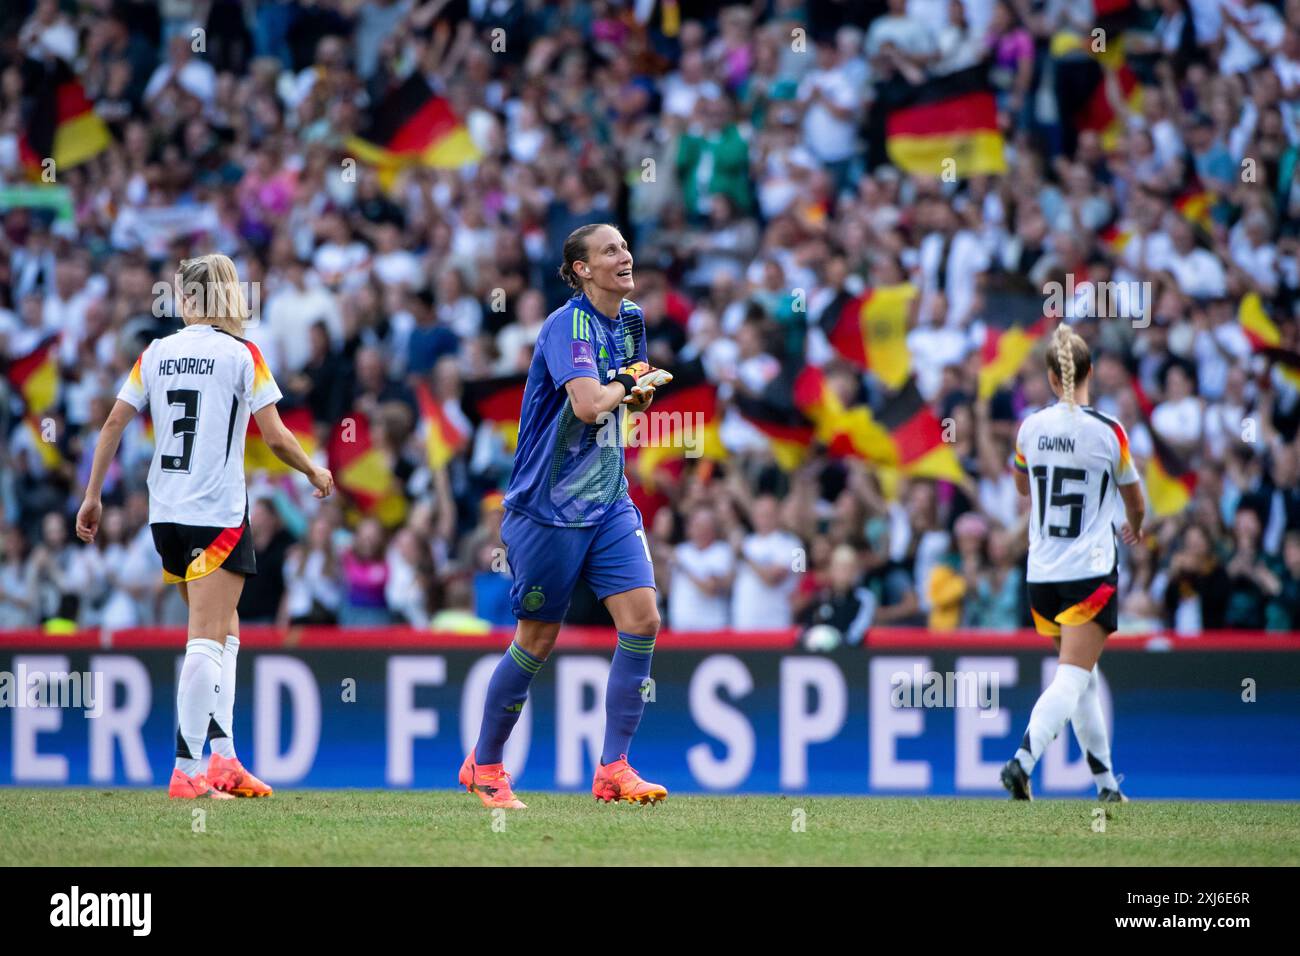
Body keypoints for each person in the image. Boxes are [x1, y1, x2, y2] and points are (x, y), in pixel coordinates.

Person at [76, 254, 333, 800]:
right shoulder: (242, 355)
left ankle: (223, 758)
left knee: (226, 629)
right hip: (215, 513)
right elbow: (277, 436)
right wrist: (314, 469)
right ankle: (187, 768)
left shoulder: (157, 352)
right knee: (207, 640)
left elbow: (113, 422)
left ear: (188, 300)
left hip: (165, 513)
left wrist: (93, 495)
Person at [459, 223, 672, 810]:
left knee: (643, 619)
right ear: (581, 269)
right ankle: (486, 763)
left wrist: (642, 385)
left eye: (626, 246)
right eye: (610, 250)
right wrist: (630, 384)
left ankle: (613, 768)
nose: (625, 255)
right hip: (547, 506)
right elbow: (588, 401)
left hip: (607, 498)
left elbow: (631, 392)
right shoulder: (566, 325)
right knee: (537, 638)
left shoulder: (631, 321)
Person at [1001, 324, 1144, 803]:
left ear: (1049, 376)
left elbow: (1023, 489)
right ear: (1089, 375)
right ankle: (1023, 759)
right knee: (1073, 676)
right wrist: (1136, 526)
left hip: (1042, 574)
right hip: (1089, 571)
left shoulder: (1030, 427)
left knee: (1082, 677)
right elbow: (1135, 499)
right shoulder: (1108, 432)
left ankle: (1106, 784)